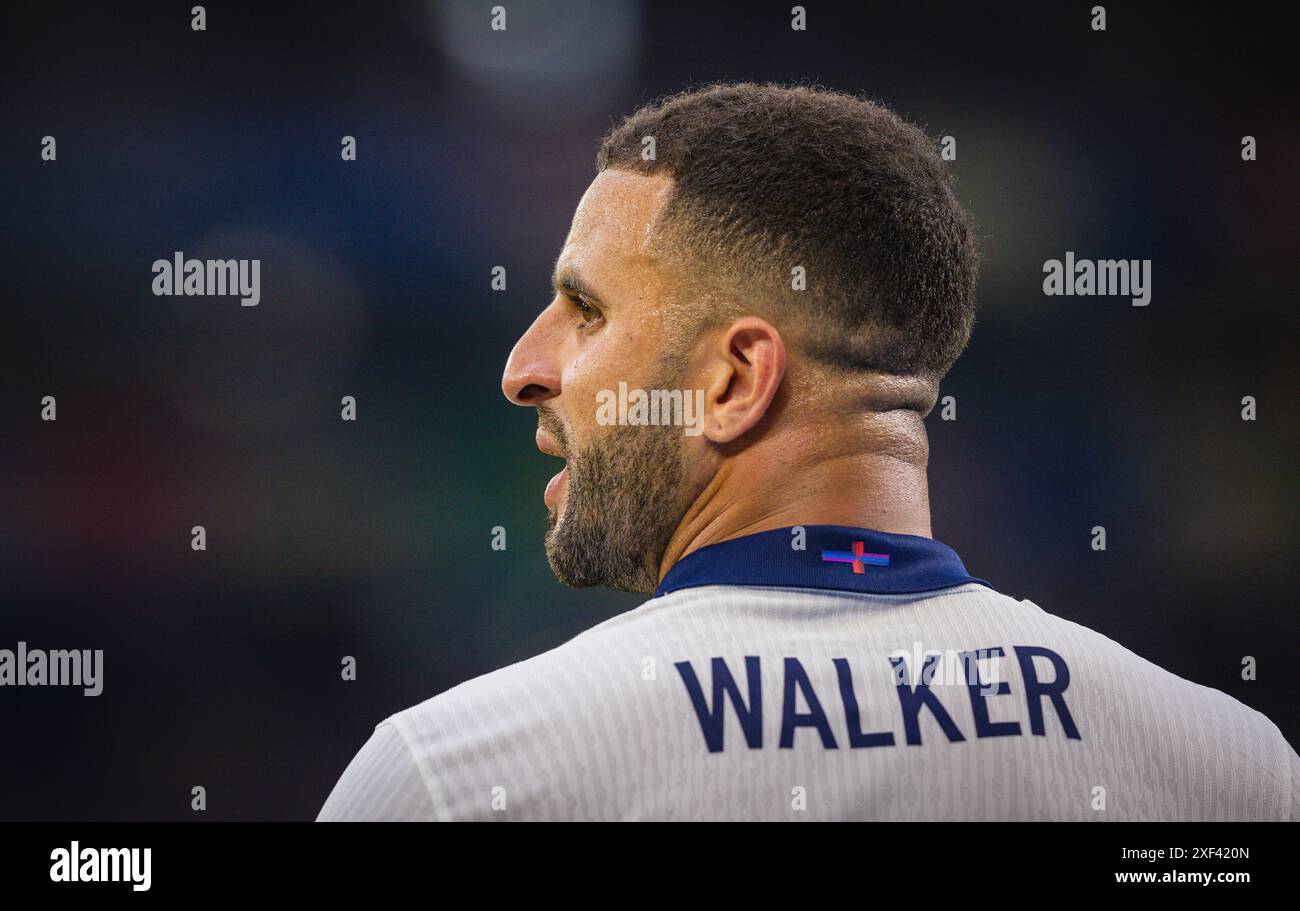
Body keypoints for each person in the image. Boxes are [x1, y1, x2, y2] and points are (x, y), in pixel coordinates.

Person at [319, 83, 1298, 821]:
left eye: (584, 309)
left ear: (736, 379)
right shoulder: (1231, 769)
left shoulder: (457, 777)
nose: (525, 367)